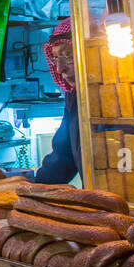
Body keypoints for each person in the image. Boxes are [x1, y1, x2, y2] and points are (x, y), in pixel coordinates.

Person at [33, 17, 83, 184]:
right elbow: (64, 153)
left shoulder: (117, 92)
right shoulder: (74, 96)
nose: (60, 68)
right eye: (55, 58)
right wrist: (36, 187)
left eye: (67, 56)